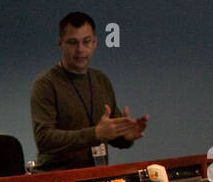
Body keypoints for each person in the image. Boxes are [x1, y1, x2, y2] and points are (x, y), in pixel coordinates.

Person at [30, 12, 148, 171]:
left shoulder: (101, 80)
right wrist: (95, 134)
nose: (80, 49)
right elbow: (44, 139)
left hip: (96, 178)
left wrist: (125, 136)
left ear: (95, 43)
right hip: (58, 178)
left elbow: (110, 133)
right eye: (73, 42)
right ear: (60, 43)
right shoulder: (46, 84)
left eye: (86, 42)